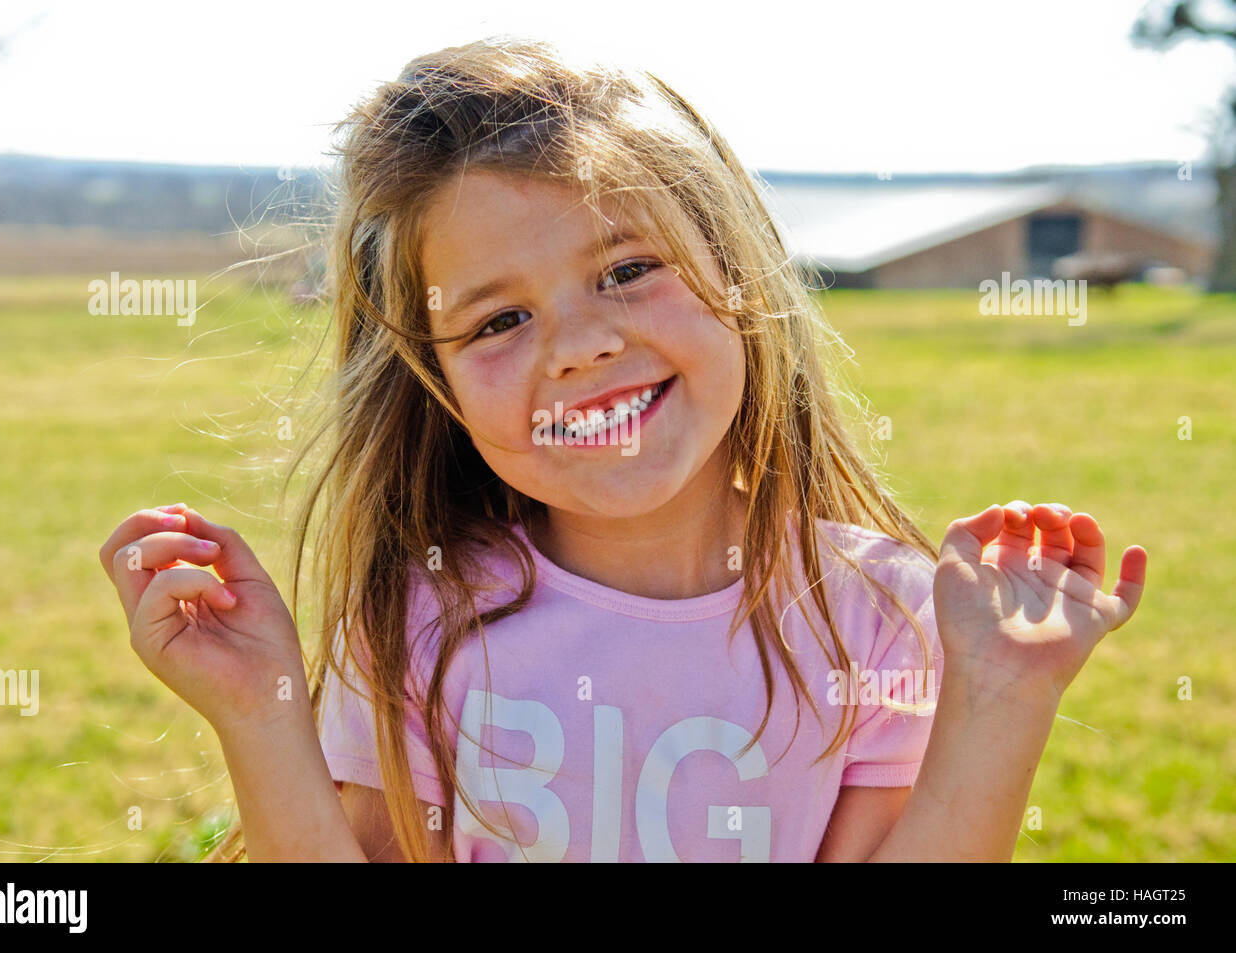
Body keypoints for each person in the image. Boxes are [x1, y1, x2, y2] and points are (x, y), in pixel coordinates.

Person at [97, 35, 1147, 862]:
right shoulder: (419, 616)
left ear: (737, 273)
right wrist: (261, 711)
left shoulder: (879, 612)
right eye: (497, 321)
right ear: (438, 385)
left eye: (627, 268)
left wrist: (1002, 700)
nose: (582, 346)